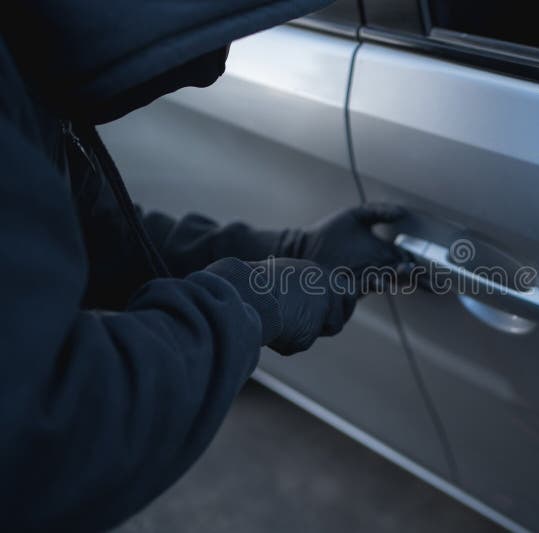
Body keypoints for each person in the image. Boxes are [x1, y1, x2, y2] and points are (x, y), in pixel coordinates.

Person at [0, 1, 405, 530]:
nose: (212, 71)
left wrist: (288, 250)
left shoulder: (24, 56)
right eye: (210, 35)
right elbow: (45, 430)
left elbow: (87, 236)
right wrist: (253, 302)